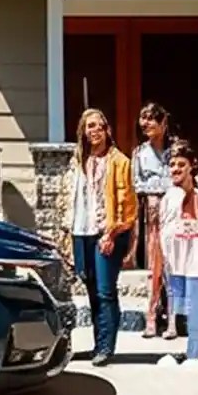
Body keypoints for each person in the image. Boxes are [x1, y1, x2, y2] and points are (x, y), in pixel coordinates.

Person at [67, 108, 138, 367]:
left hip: (106, 232)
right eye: (89, 126)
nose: (94, 130)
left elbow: (128, 207)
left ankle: (107, 347)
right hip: (81, 231)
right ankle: (98, 343)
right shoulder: (79, 160)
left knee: (106, 290)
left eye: (98, 125)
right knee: (91, 290)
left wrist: (112, 232)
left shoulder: (119, 162)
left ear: (107, 129)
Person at [157, 142, 198, 369]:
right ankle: (177, 349)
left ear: (192, 167)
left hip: (194, 255)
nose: (175, 169)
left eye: (180, 165)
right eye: (172, 165)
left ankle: (194, 351)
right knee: (175, 302)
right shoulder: (168, 197)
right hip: (174, 257)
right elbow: (162, 226)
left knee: (194, 304)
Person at [128, 102, 176, 339]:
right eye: (142, 118)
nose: (145, 124)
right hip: (152, 217)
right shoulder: (140, 153)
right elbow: (136, 184)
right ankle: (152, 314)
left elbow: (187, 178)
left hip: (176, 215)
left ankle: (173, 315)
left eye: (150, 119)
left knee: (173, 265)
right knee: (155, 265)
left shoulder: (176, 151)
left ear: (163, 122)